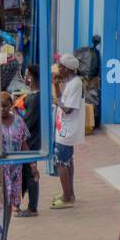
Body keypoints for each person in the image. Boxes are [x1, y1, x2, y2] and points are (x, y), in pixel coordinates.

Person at [52, 53, 85, 209]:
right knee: (67, 161)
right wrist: (55, 86)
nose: (58, 68)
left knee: (61, 163)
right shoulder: (71, 82)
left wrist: (56, 101)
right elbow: (62, 100)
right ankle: (69, 193)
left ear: (67, 68)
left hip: (67, 130)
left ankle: (66, 197)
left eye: (60, 66)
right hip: (64, 128)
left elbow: (68, 109)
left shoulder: (75, 84)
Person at [0, 92, 27, 240]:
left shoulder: (18, 121)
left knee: (9, 204)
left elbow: (24, 143)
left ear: (11, 105)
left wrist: (33, 166)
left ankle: (4, 237)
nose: (2, 109)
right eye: (0, 106)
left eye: (5, 105)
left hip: (16, 169)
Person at [17, 63, 42, 218]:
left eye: (26, 74)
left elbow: (27, 123)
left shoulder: (34, 99)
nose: (25, 77)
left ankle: (32, 208)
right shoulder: (34, 96)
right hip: (32, 140)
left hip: (30, 142)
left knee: (31, 173)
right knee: (27, 173)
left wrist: (16, 118)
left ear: (31, 77)